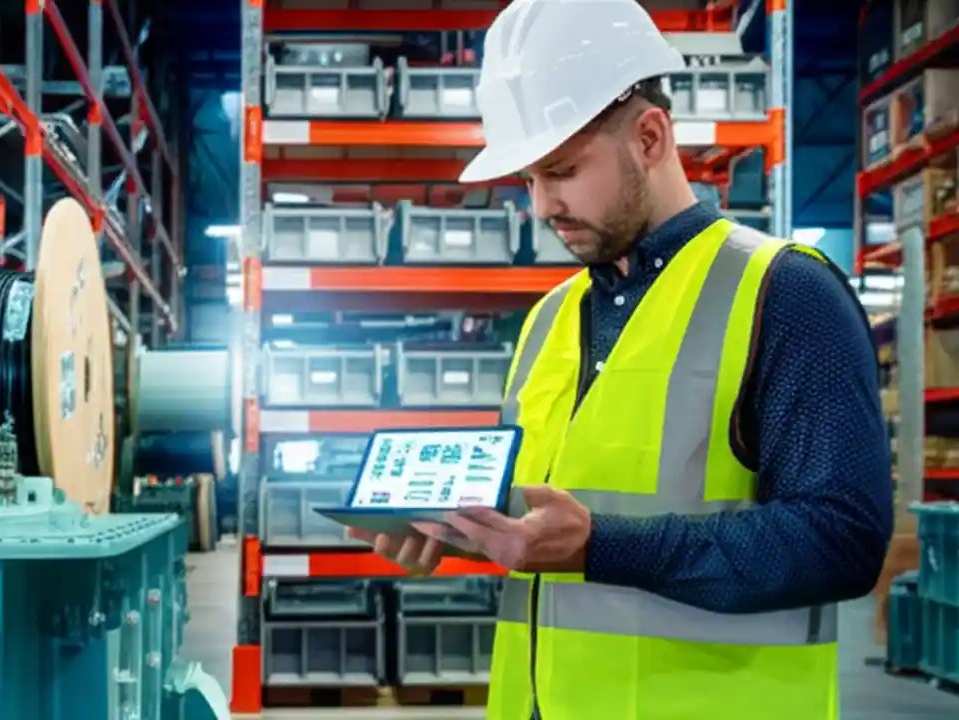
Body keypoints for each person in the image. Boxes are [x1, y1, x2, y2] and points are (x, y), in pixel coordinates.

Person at [348, 1, 894, 718]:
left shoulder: (785, 293)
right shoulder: (548, 321)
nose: (543, 205)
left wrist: (599, 546)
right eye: (528, 181)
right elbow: (558, 522)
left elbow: (843, 541)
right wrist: (470, 532)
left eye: (564, 170)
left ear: (649, 136)